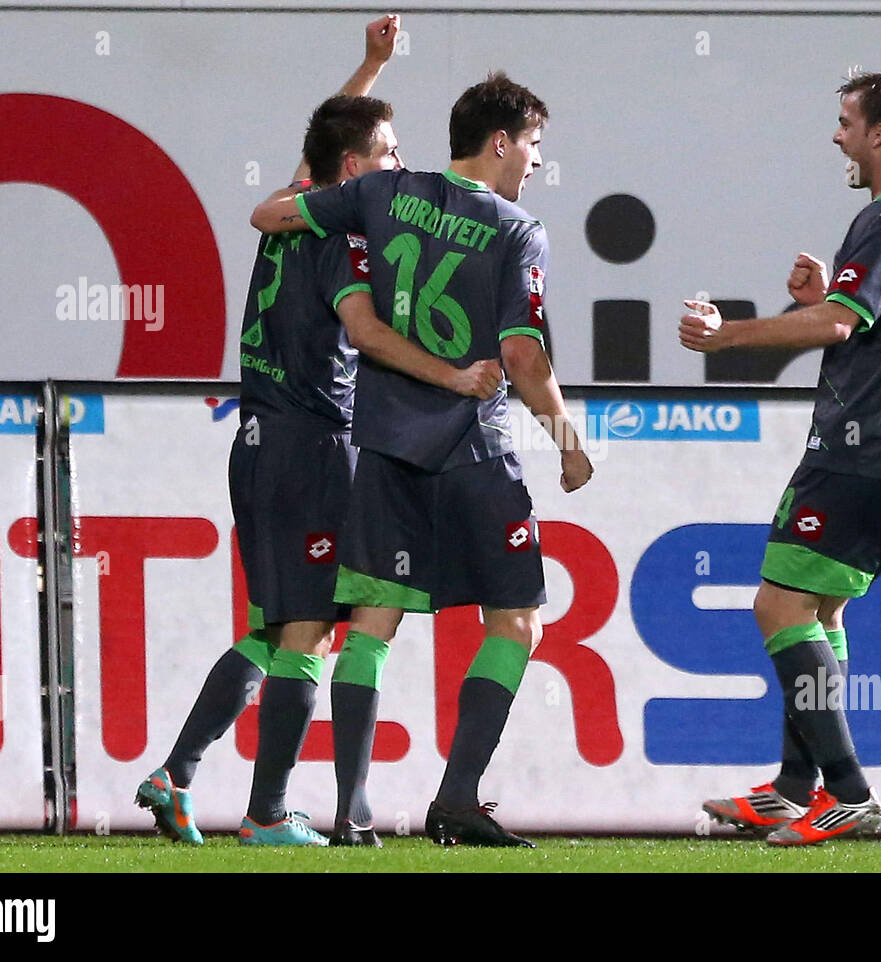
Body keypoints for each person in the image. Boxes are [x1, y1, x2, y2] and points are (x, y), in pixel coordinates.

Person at [136, 15, 500, 847]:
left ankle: (178, 771)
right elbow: (368, 335)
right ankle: (266, 814)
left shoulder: (298, 207)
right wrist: (452, 377)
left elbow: (325, 137)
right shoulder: (344, 230)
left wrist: (369, 67)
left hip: (257, 442)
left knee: (274, 626)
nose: (399, 162)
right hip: (310, 443)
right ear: (355, 170)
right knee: (306, 633)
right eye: (388, 151)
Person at [251, 72, 593, 847]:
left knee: (370, 628)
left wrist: (327, 198)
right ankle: (458, 797)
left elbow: (269, 214)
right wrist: (569, 446)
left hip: (382, 449)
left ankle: (352, 812)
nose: (537, 162)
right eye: (534, 145)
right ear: (501, 142)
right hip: (473, 450)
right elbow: (521, 357)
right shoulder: (516, 230)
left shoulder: (383, 192)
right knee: (515, 620)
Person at [680, 71, 881, 846]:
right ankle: (792, 786)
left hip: (860, 447)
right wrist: (829, 291)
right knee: (820, 610)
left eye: (846, 122)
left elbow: (842, 327)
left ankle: (848, 793)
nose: (838, 135)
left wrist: (727, 335)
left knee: (778, 607)